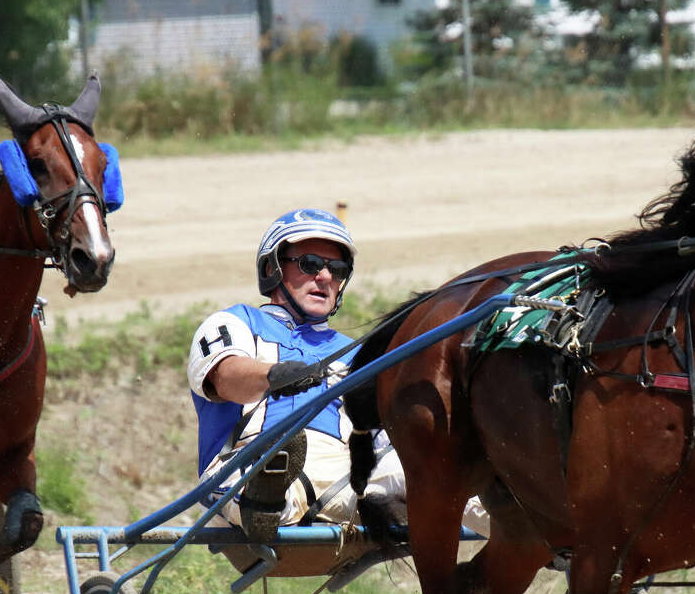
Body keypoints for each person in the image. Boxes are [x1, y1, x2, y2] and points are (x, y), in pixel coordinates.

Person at [186, 207, 488, 544]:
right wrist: (276, 374)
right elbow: (226, 377)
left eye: (337, 269)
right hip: (259, 456)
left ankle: (542, 531)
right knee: (276, 472)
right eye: (310, 265)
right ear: (272, 268)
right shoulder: (236, 323)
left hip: (355, 474)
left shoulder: (358, 352)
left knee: (454, 475)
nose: (326, 277)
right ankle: (266, 502)